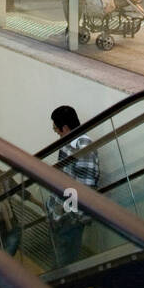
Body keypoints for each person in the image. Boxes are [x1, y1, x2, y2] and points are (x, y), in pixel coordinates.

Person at [46, 106, 100, 268]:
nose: (56, 132)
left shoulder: (83, 149)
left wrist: (68, 218)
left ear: (65, 128)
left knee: (64, 262)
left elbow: (85, 188)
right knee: (60, 257)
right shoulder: (67, 142)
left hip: (69, 219)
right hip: (59, 214)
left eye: (56, 129)